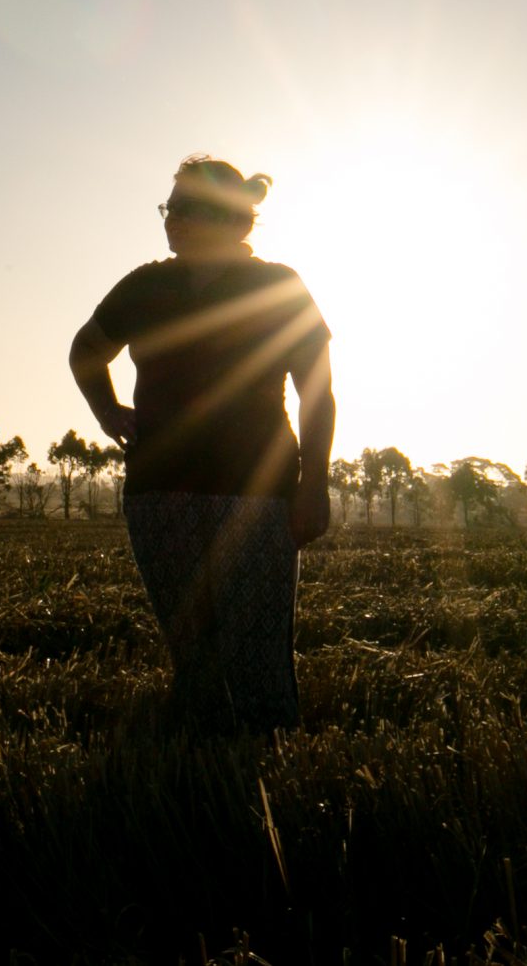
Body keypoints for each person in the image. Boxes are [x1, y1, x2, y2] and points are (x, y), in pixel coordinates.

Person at [69, 155, 335, 732]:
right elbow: (85, 350)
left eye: (188, 208)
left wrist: (314, 483)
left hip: (257, 493)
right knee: (194, 655)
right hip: (158, 493)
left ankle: (264, 758)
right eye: (170, 207)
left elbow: (317, 393)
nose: (173, 219)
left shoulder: (277, 286)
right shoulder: (145, 286)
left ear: (231, 218)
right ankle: (197, 764)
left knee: (259, 655)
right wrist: (106, 411)